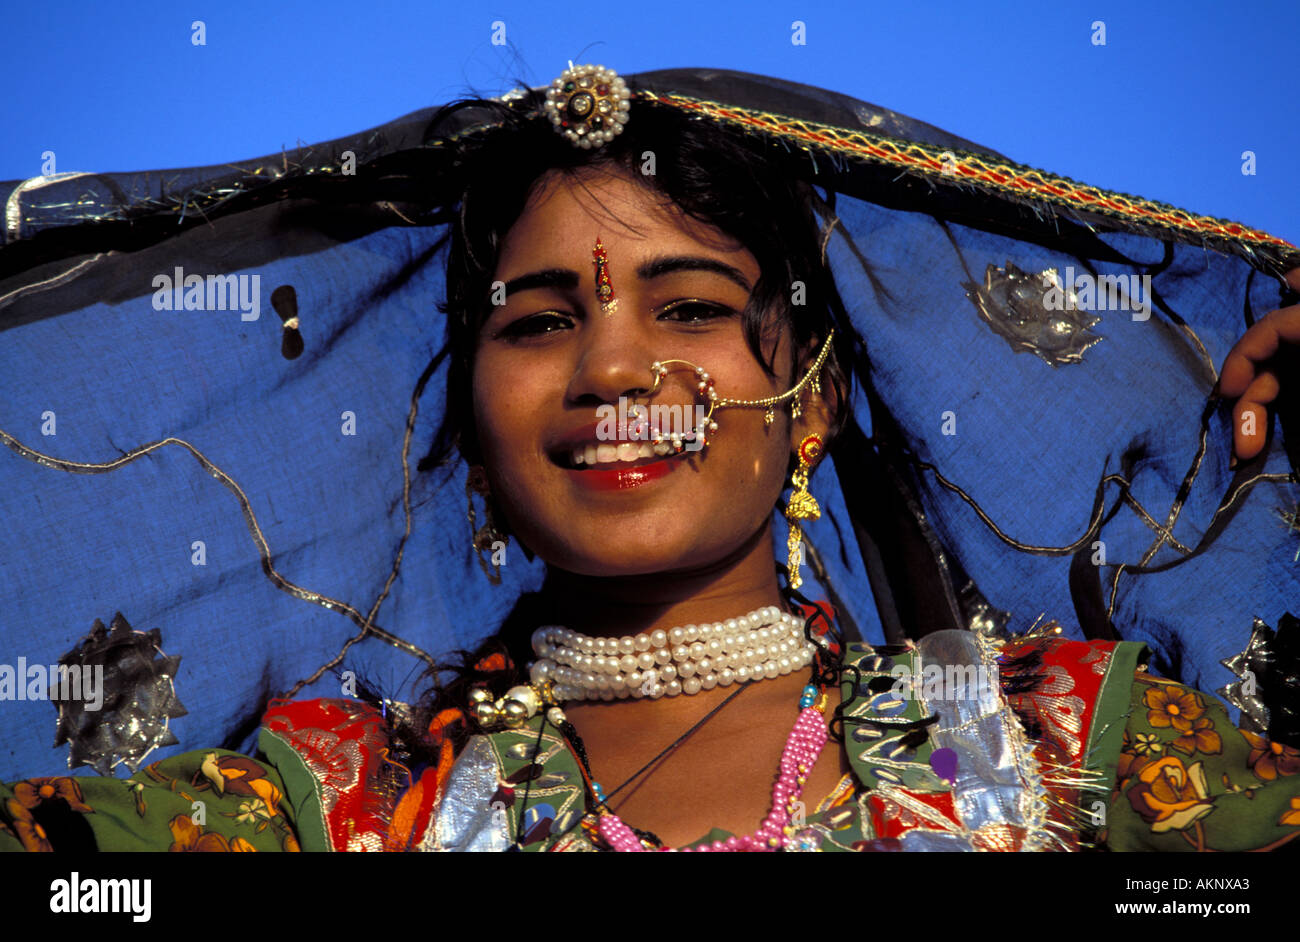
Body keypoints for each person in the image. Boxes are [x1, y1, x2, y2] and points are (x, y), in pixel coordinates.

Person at [3, 65, 1299, 852]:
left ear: (812, 400)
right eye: (539, 321)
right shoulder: (345, 807)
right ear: (471, 430)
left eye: (687, 308)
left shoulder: (1051, 746)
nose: (613, 369)